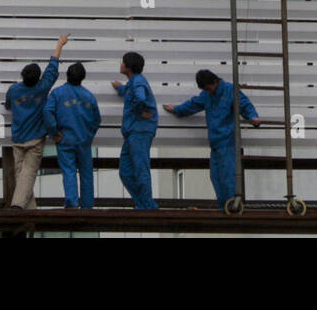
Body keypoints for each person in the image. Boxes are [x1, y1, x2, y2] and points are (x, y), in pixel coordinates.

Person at [165, 68, 260, 208]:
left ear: (215, 82)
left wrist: (253, 117)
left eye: (209, 88)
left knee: (228, 177)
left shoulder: (230, 90)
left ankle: (232, 206)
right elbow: (193, 104)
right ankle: (224, 206)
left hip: (228, 142)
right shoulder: (207, 94)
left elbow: (244, 104)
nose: (208, 91)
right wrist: (177, 109)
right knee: (216, 177)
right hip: (215, 143)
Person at [3, 34, 69, 208]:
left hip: (17, 139)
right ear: (37, 78)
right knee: (29, 174)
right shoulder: (42, 87)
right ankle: (17, 206)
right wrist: (59, 44)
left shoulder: (14, 90)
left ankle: (30, 210)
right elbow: (52, 68)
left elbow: (8, 106)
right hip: (36, 138)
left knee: (21, 176)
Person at [42, 62, 102, 209]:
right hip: (84, 140)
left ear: (67, 75)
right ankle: (87, 205)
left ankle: (71, 203)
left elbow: (47, 112)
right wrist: (89, 135)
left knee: (69, 171)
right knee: (86, 173)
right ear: (83, 78)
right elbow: (97, 119)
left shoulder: (57, 93)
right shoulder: (89, 96)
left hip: (65, 139)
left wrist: (54, 132)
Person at [111, 51, 158, 209]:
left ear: (128, 67)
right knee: (125, 171)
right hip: (132, 132)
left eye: (123, 62)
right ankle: (142, 202)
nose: (121, 64)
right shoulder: (134, 82)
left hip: (140, 131)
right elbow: (131, 93)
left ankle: (147, 205)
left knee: (140, 167)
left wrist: (140, 112)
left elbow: (140, 98)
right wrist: (120, 88)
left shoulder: (137, 82)